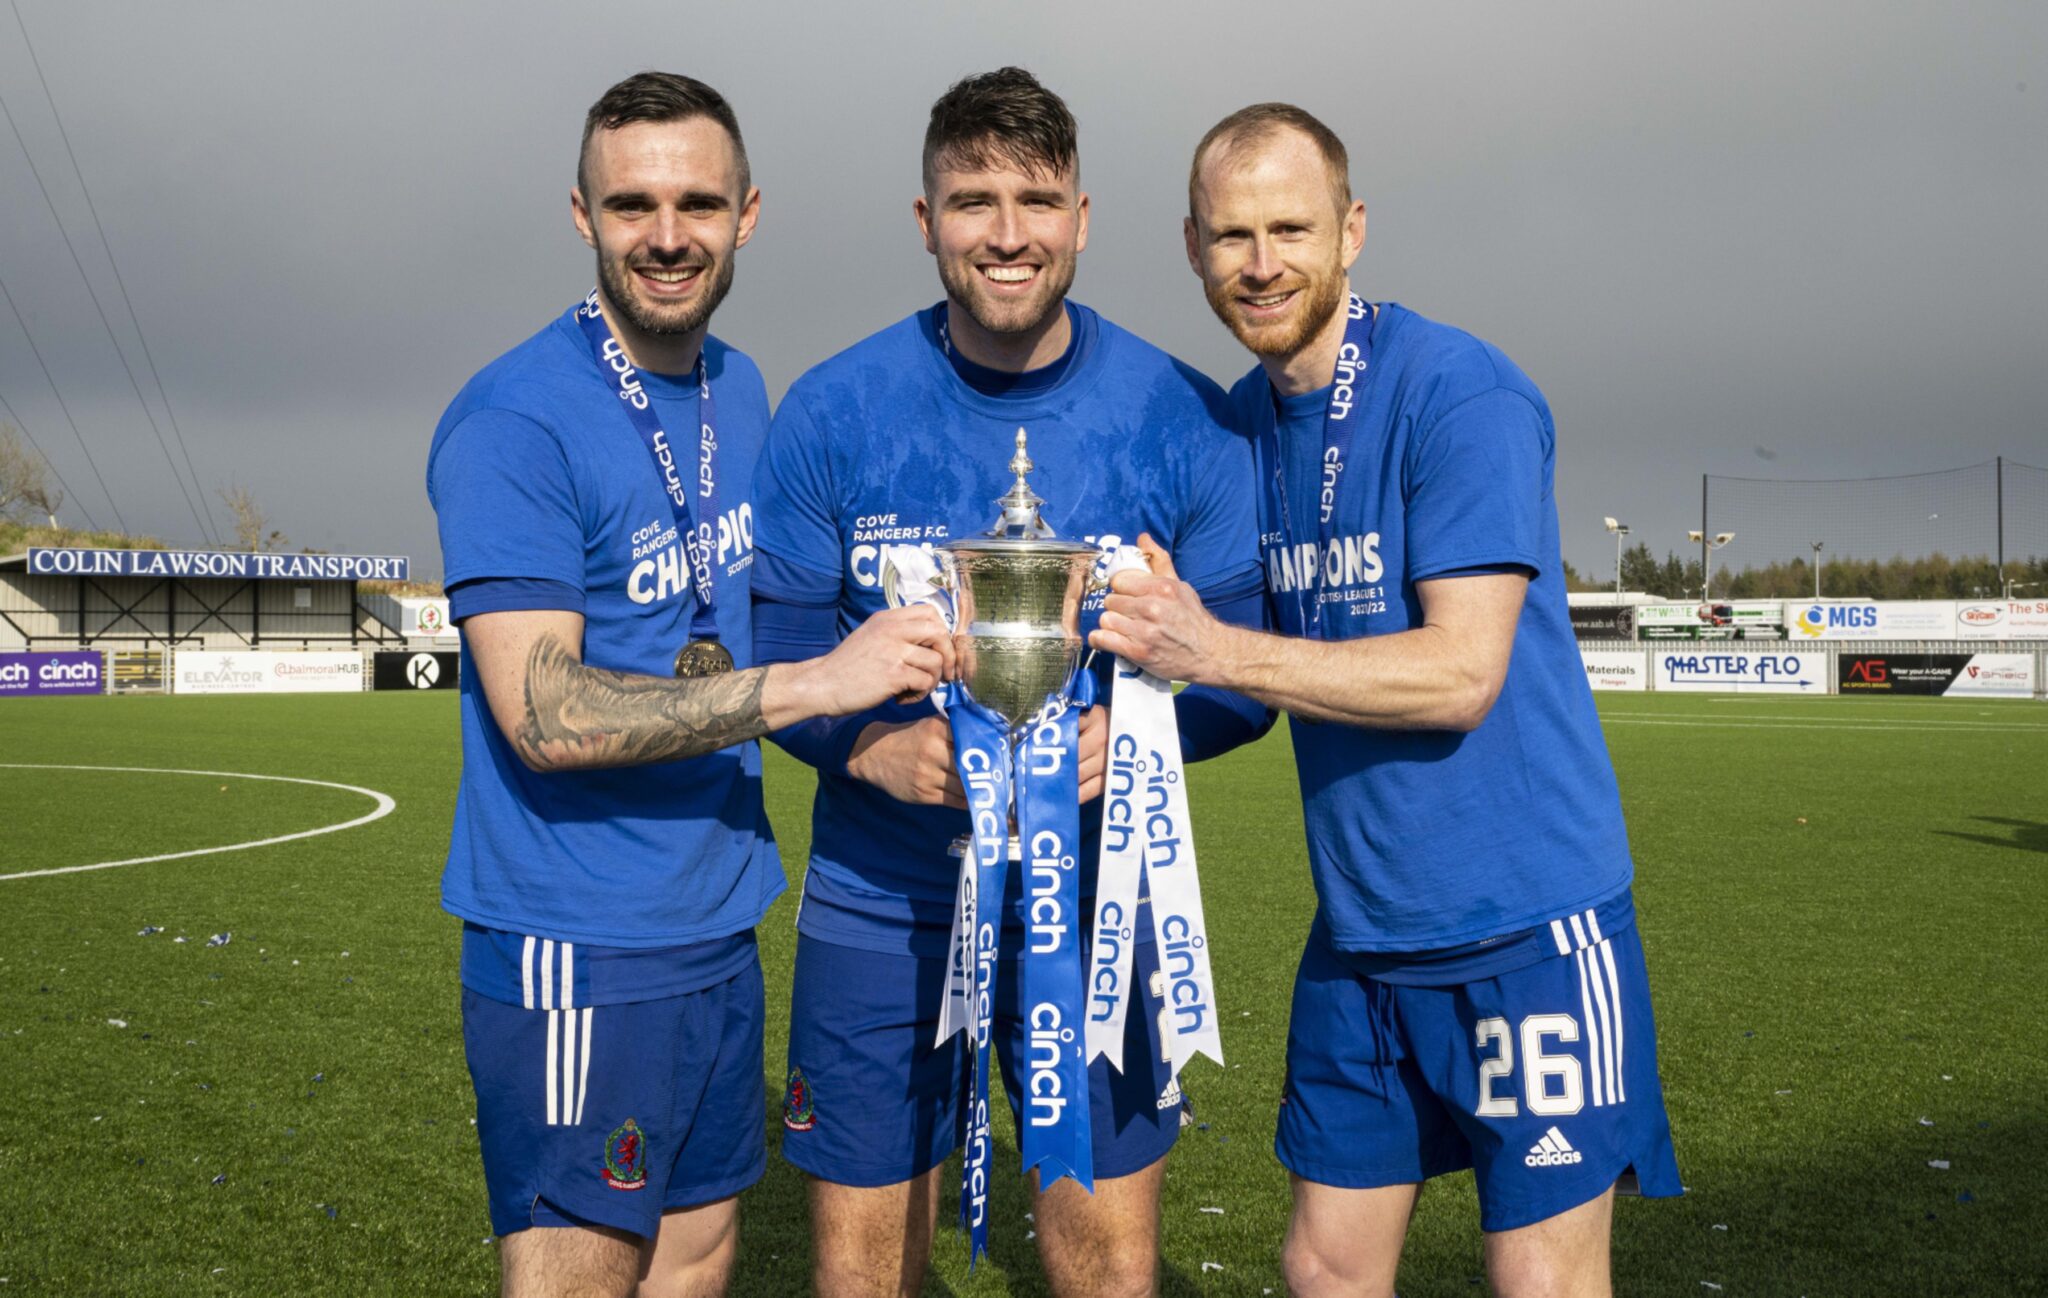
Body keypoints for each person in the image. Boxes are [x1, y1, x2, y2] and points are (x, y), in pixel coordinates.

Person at [1089, 104, 1682, 1298]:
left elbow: (1459, 672)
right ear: (1191, 246)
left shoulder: (1459, 393)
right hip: (1360, 936)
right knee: (1322, 1265)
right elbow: (1236, 682)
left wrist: (1205, 647)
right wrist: (1116, 733)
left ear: (1351, 229)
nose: (1260, 264)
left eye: (1291, 228)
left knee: (1542, 1280)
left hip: (1525, 930)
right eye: (1231, 235)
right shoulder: (1230, 431)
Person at [426, 71, 952, 1298]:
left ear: (747, 214)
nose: (667, 236)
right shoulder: (515, 418)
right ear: (581, 213)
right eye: (633, 205)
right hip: (577, 935)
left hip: (716, 920)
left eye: (697, 203)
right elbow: (544, 711)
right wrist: (812, 685)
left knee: (700, 1249)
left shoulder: (743, 389)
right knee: (576, 1271)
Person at [750, 68, 1270, 1298]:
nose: (1006, 232)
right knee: (866, 1269)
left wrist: (1132, 738)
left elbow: (1245, 669)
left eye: (1035, 199)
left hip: (1095, 899)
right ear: (924, 219)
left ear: (1081, 218)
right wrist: (866, 748)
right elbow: (774, 647)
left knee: (1101, 1262)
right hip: (882, 896)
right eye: (971, 199)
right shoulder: (832, 409)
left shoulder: (1180, 416)